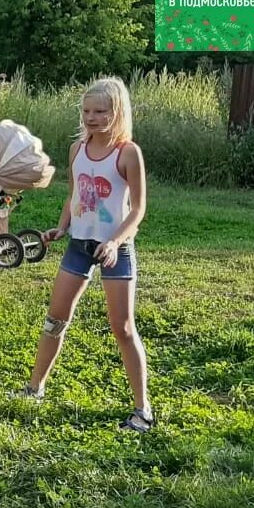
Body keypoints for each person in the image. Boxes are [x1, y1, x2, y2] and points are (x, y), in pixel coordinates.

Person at [21, 77, 151, 432]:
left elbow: (137, 209)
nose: (92, 118)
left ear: (117, 112)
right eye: (87, 111)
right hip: (78, 245)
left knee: (122, 328)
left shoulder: (128, 153)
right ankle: (34, 388)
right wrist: (61, 227)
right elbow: (75, 195)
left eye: (100, 111)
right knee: (54, 320)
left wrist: (114, 242)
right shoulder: (77, 149)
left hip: (115, 249)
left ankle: (143, 410)